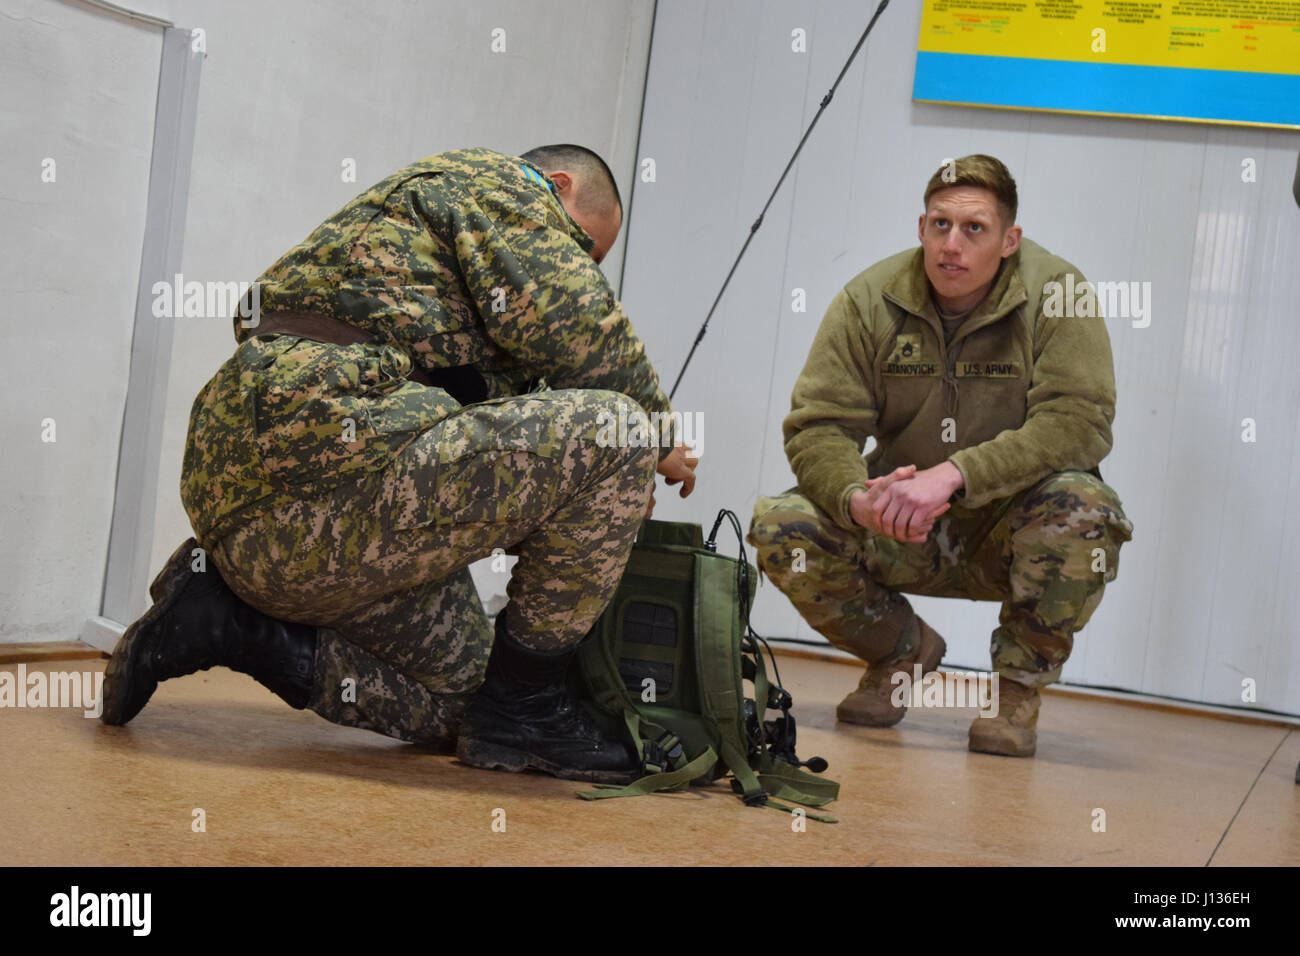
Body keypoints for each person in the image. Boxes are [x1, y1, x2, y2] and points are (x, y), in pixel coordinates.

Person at [101, 145, 698, 783]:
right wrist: (656, 435)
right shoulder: (492, 181)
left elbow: (520, 435)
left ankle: (229, 623)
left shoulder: (443, 293)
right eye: (583, 250)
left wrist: (608, 488)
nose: (583, 268)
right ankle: (530, 709)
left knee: (469, 699)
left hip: (296, 537)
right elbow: (575, 318)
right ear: (557, 185)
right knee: (619, 426)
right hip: (313, 455)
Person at [748, 154, 1132, 757]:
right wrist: (857, 500)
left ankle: (1016, 689)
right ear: (921, 228)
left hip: (1010, 526)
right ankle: (900, 652)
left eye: (974, 229)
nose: (952, 245)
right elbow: (819, 424)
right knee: (781, 524)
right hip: (903, 522)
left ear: (1010, 240)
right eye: (939, 226)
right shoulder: (869, 299)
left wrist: (955, 475)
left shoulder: (1061, 294)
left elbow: (1079, 422)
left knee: (1085, 509)